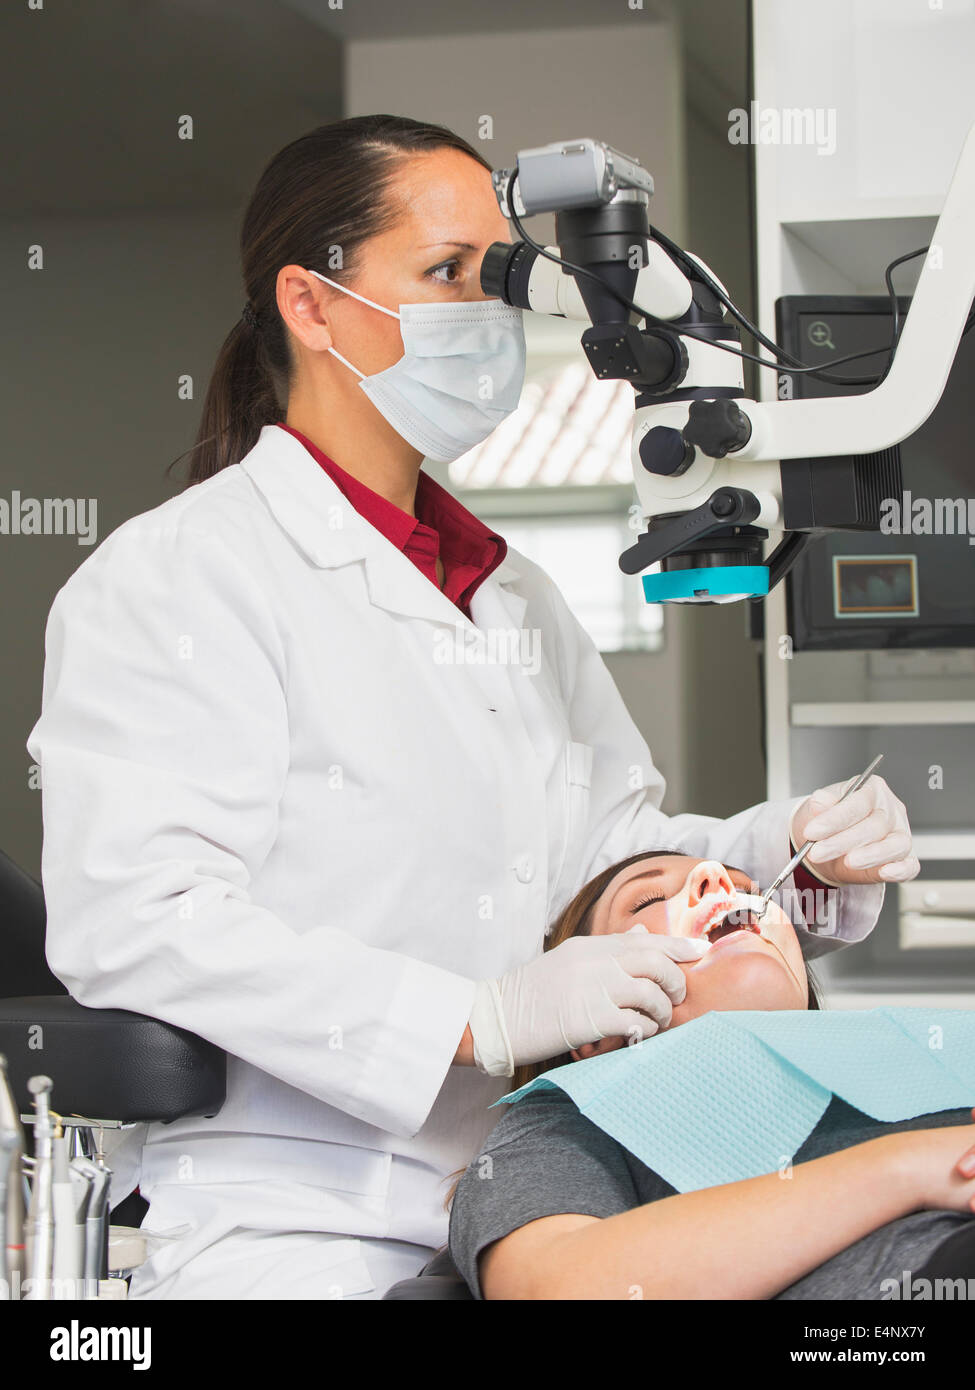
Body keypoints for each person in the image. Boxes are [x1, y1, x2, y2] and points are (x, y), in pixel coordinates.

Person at [26, 113, 918, 1300]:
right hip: (304, 1217)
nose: (489, 314)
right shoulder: (182, 576)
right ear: (312, 304)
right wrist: (473, 1017)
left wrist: (791, 855)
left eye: (502, 279)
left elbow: (610, 855)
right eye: (449, 273)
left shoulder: (516, 595)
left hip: (555, 1184)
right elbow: (135, 920)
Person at [448, 851, 975, 1300]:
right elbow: (558, 1286)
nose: (718, 879)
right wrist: (913, 1167)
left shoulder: (910, 1044)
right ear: (590, 1028)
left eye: (746, 886)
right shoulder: (570, 1119)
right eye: (648, 901)